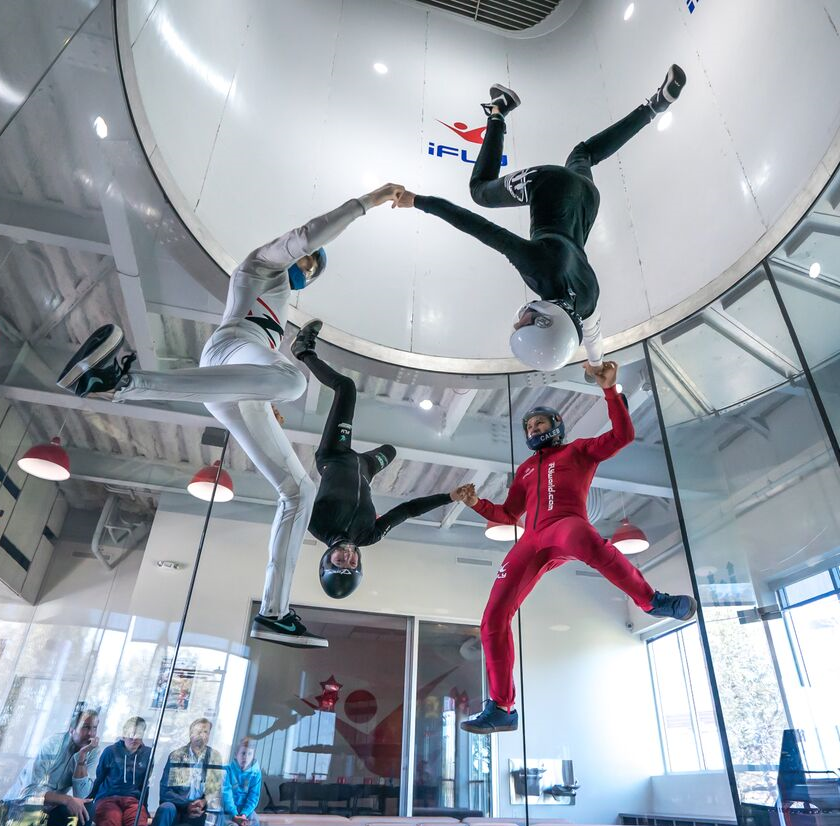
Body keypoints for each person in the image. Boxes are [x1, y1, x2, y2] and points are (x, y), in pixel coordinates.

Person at [57, 184, 404, 648]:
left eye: (313, 269)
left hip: (234, 381)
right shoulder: (260, 266)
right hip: (228, 347)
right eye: (308, 260)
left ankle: (275, 612)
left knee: (299, 491)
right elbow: (307, 234)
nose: (307, 268)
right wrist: (369, 202)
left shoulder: (280, 309)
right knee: (296, 380)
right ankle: (125, 381)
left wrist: (260, 393)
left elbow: (262, 365)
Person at [453, 361, 697, 734]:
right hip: (531, 541)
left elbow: (622, 436)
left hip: (565, 525)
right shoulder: (524, 471)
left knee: (583, 539)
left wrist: (610, 391)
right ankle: (502, 706)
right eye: (530, 427)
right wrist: (476, 504)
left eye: (541, 424)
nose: (534, 430)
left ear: (557, 427)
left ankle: (653, 601)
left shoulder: (578, 451)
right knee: (492, 618)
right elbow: (508, 514)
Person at [394, 66, 686, 371]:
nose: (518, 319)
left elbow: (593, 333)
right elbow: (476, 225)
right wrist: (417, 201)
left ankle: (655, 105)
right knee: (479, 191)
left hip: (586, 199)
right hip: (547, 184)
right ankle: (498, 110)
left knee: (583, 153)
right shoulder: (539, 269)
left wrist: (598, 364)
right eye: (524, 323)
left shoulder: (585, 302)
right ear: (544, 320)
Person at [289, 319, 473, 598]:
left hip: (335, 455)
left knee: (346, 388)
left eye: (340, 562)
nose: (348, 556)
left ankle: (304, 351)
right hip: (365, 467)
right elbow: (408, 510)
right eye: (353, 563)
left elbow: (291, 488)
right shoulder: (370, 536)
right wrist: (449, 497)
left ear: (326, 560)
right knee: (391, 450)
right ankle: (372, 461)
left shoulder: (316, 525)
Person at [4, 708, 101, 826]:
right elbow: (28, 793)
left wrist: (81, 757)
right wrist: (66, 800)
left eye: (94, 728)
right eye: (86, 727)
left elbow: (81, 796)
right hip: (19, 810)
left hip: (48, 813)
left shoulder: (91, 751)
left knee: (86, 809)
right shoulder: (52, 744)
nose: (90, 734)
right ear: (72, 729)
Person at [149, 718, 225, 826]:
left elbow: (214, 790)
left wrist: (203, 802)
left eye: (205, 732)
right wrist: (187, 805)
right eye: (198, 731)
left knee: (217, 814)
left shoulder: (214, 757)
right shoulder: (177, 755)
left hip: (200, 808)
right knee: (166, 808)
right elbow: (165, 792)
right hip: (178, 806)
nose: (201, 735)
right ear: (191, 734)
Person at [89, 716, 154, 826]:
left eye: (138, 734)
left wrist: (146, 809)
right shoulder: (110, 751)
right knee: (112, 825)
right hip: (108, 797)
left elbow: (145, 785)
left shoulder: (148, 754)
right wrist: (90, 799)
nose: (134, 738)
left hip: (133, 801)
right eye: (130, 733)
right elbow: (99, 778)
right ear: (124, 733)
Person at [220, 739, 261, 826]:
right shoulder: (227, 770)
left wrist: (244, 814)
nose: (245, 757)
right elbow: (226, 795)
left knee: (255, 822)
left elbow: (253, 797)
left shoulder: (256, 773)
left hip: (245, 811)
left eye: (249, 754)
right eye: (243, 753)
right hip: (228, 810)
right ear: (236, 754)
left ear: (253, 756)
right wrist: (234, 815)